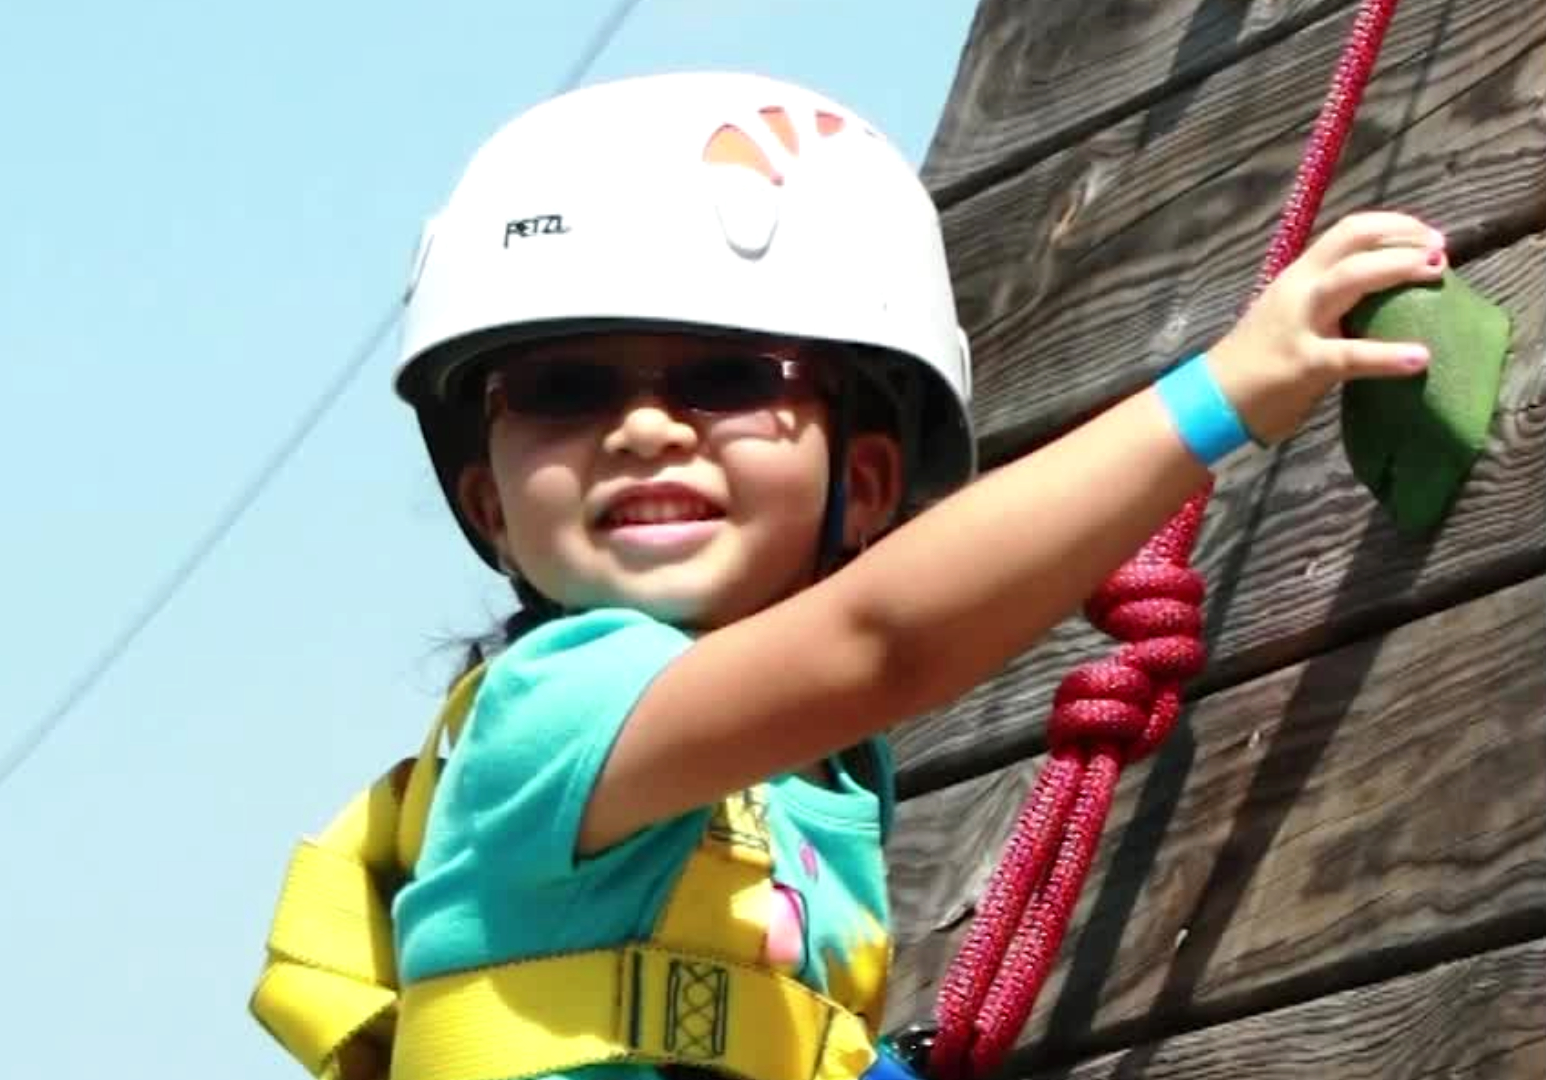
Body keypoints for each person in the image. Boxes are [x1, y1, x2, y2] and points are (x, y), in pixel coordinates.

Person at [267, 71, 1445, 1080]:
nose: (641, 430)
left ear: (868, 482)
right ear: (492, 510)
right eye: (562, 392)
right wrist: (1218, 397)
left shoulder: (817, 779)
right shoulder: (560, 712)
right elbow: (878, 638)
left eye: (727, 376)